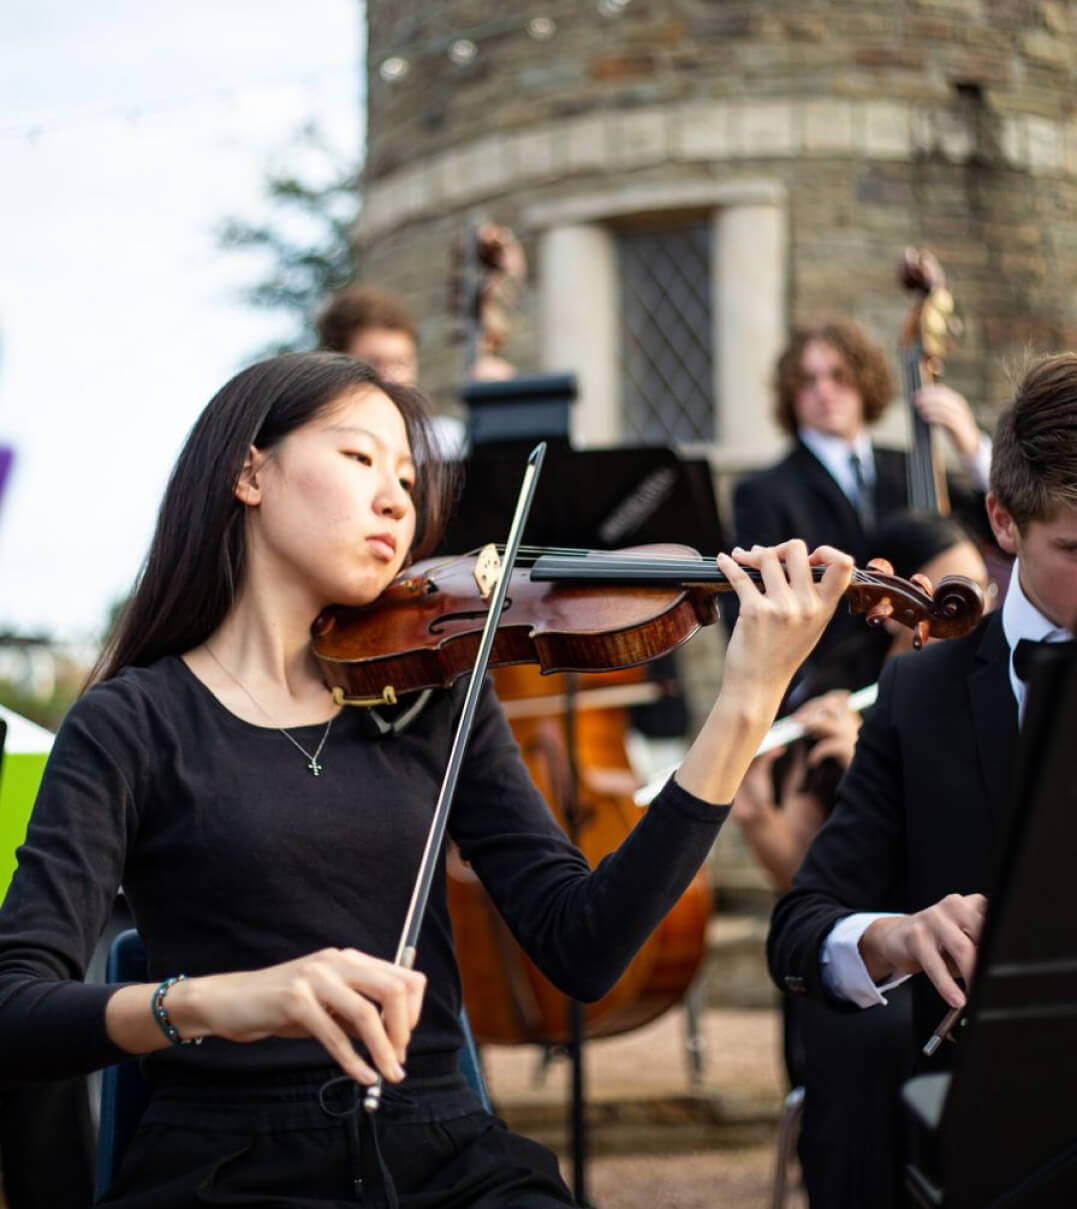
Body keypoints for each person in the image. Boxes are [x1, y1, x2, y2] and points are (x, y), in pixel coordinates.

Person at [0, 351, 853, 1208]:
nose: (395, 499)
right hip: (225, 1167)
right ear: (249, 471)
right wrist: (218, 1001)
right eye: (359, 458)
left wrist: (747, 699)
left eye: (407, 478)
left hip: (444, 1158)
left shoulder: (433, 695)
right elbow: (16, 1006)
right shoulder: (130, 722)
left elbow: (584, 945)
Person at [766, 351, 1077, 1207]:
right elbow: (799, 931)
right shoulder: (920, 691)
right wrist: (894, 937)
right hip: (989, 1111)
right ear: (1003, 523)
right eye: (1076, 550)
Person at [731, 510, 991, 1209]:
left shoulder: (992, 678)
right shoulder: (851, 701)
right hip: (878, 982)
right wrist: (772, 806)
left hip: (969, 966)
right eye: (944, 582)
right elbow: (804, 889)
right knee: (874, 1036)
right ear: (894, 596)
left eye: (976, 578)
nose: (966, 598)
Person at [732, 316, 993, 659]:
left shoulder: (911, 467)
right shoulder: (764, 492)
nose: (824, 390)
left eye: (839, 376)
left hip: (918, 664)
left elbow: (998, 529)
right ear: (792, 394)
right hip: (827, 679)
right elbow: (752, 609)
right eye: (809, 380)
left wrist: (973, 449)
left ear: (864, 381)